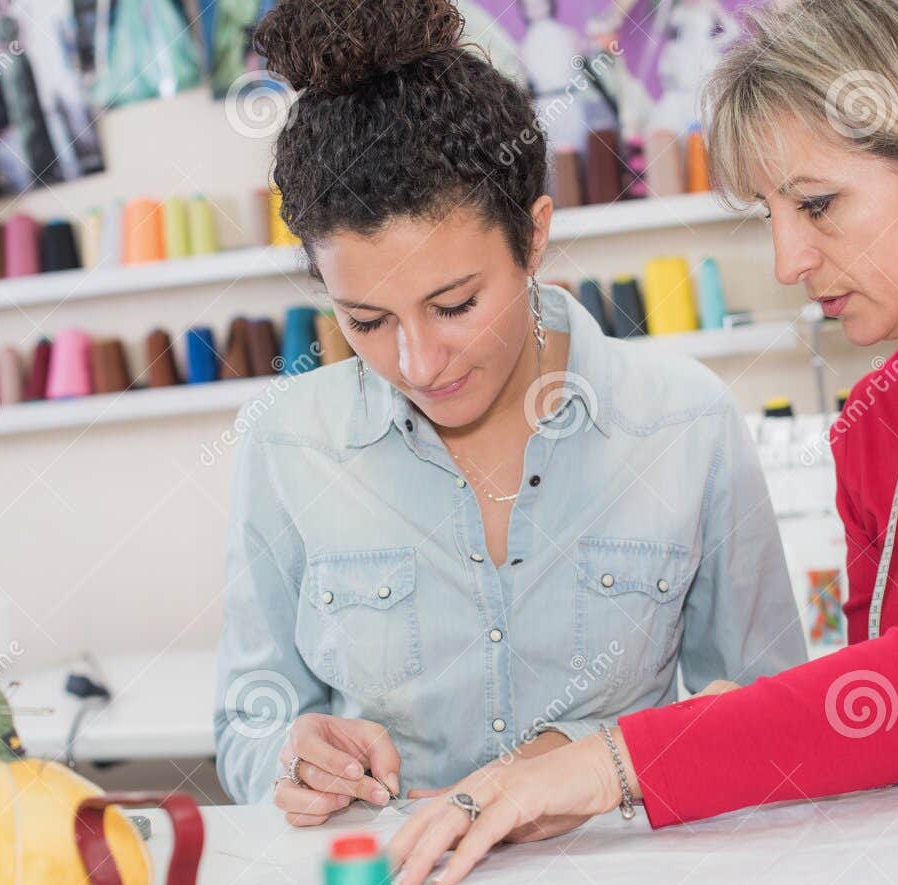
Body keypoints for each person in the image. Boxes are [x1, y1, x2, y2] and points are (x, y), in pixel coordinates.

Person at [390, 0, 898, 885]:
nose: (787, 261)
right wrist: (736, 722)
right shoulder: (878, 418)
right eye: (771, 213)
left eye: (819, 206)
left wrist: (606, 765)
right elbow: (896, 711)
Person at [213, 0, 805, 819]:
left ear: (533, 238)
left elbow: (773, 718)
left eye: (454, 305)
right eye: (367, 322)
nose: (417, 363)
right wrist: (292, 759)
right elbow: (250, 718)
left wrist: (604, 761)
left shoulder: (685, 425)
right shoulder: (287, 443)